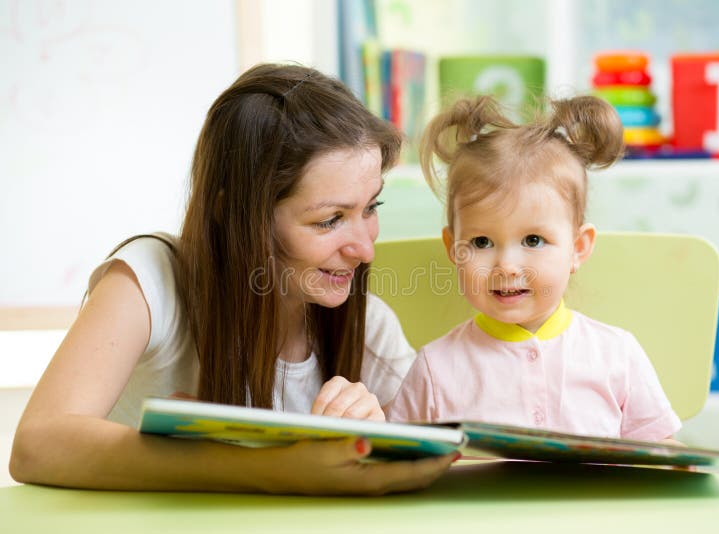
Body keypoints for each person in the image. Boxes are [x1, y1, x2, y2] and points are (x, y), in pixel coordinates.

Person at [10, 64, 457, 495]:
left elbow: (444, 449)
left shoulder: (368, 327)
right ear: (236, 215)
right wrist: (276, 468)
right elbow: (36, 444)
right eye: (329, 220)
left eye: (371, 208)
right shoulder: (150, 281)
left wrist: (382, 442)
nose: (365, 250)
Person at [387, 94, 682, 443]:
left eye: (533, 241)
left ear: (578, 248)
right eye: (482, 243)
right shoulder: (435, 369)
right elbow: (399, 462)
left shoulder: (617, 355)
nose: (507, 267)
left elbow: (662, 453)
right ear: (454, 249)